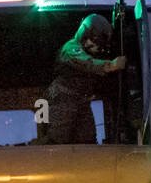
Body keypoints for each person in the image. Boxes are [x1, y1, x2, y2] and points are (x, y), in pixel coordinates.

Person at [43, 14, 125, 144]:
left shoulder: (89, 53)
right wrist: (111, 65)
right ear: (84, 34)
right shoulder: (71, 48)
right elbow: (85, 63)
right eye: (94, 41)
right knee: (58, 142)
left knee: (88, 142)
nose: (96, 47)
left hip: (82, 101)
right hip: (63, 99)